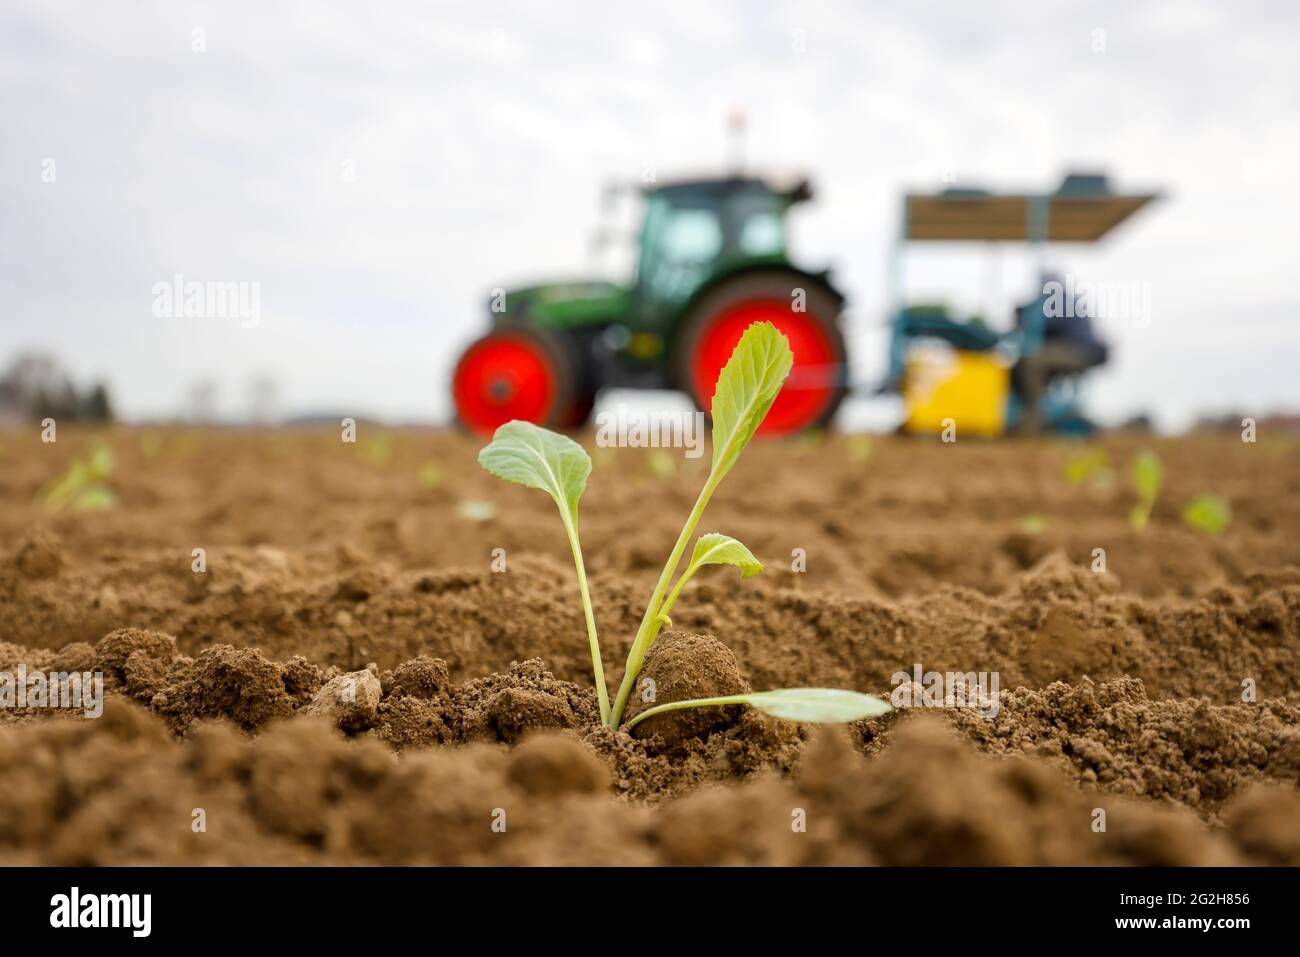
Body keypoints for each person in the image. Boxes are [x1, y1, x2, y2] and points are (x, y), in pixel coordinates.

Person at [1011, 271, 1109, 433]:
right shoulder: (1064, 300)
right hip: (1078, 350)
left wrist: (1021, 313)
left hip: (1080, 352)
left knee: (1033, 361)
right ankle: (1036, 414)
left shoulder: (1060, 301)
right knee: (1038, 359)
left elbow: (1043, 322)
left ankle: (1034, 418)